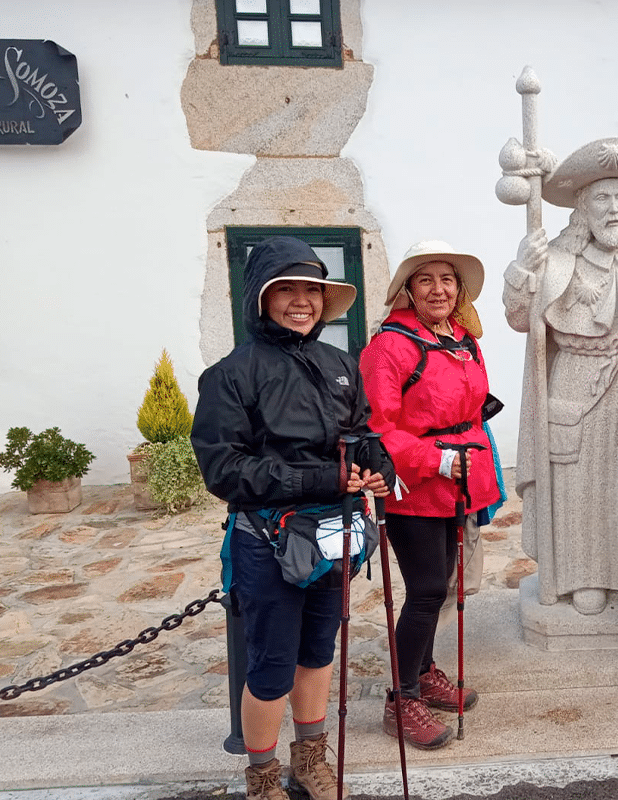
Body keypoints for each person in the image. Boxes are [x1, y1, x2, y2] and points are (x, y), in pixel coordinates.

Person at [192, 236, 391, 800]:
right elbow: (224, 470)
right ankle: (261, 777)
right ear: (260, 296)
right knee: (273, 664)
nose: (302, 301)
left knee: (318, 651)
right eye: (287, 289)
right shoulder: (231, 375)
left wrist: (379, 467)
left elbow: (363, 432)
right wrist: (321, 480)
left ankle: (310, 760)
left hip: (333, 535)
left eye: (313, 290)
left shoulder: (339, 365)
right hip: (266, 541)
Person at [503, 137, 618, 614]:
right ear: (582, 209)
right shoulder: (559, 259)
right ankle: (582, 577)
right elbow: (521, 318)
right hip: (574, 389)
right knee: (576, 489)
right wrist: (524, 268)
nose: (614, 209)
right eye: (602, 198)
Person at [359, 240, 500, 750]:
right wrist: (434, 460)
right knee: (425, 592)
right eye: (426, 280)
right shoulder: (388, 348)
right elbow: (378, 427)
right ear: (409, 291)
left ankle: (423, 670)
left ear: (458, 289)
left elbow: (470, 405)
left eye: (447, 279)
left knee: (441, 583)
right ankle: (401, 700)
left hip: (458, 479)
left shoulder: (462, 339)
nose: (438, 289)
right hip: (414, 485)